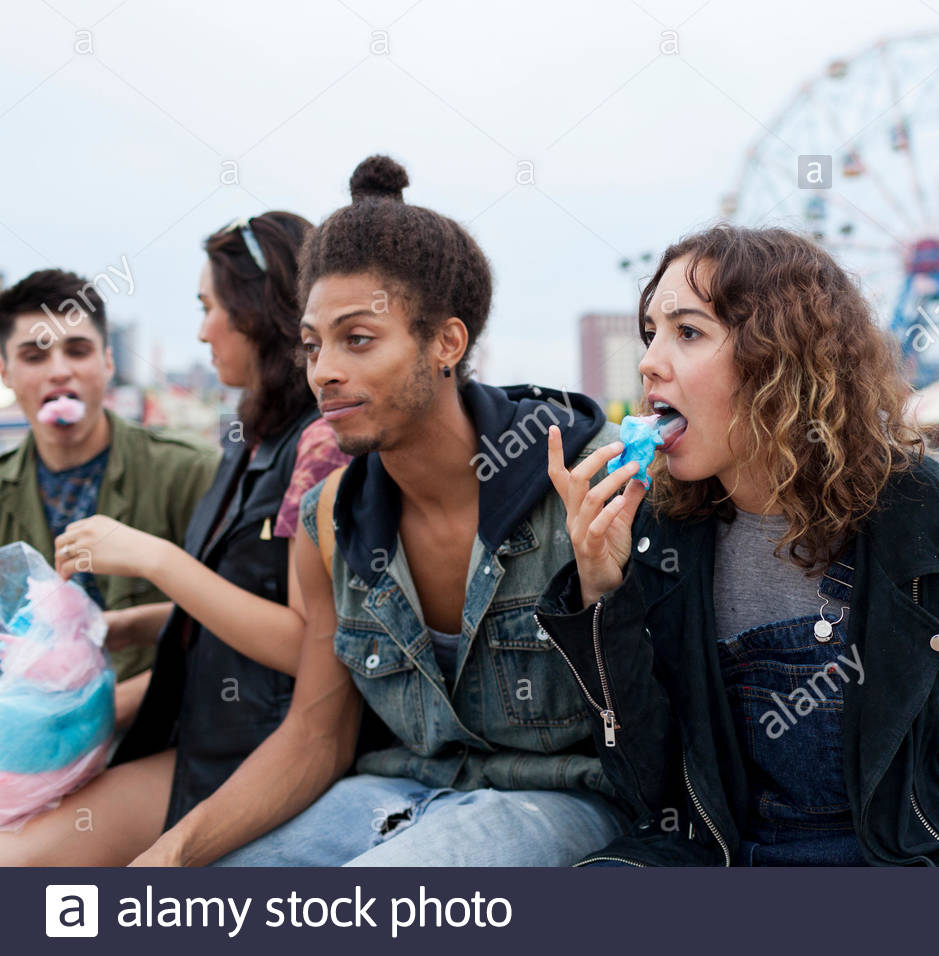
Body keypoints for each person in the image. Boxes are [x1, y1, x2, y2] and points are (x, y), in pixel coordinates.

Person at [538, 225, 939, 866]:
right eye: (650, 333)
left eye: (688, 332)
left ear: (779, 359)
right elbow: (649, 787)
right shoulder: (656, 534)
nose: (650, 361)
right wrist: (602, 590)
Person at [128, 156, 627, 868]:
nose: (324, 370)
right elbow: (316, 736)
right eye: (312, 345)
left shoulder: (582, 476)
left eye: (357, 339)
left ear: (447, 343)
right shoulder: (329, 518)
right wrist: (173, 853)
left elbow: (668, 701)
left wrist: (604, 593)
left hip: (561, 798)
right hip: (399, 791)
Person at [0, 211, 348, 865]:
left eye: (209, 307)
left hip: (236, 746)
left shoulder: (310, 448)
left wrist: (155, 560)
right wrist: (133, 624)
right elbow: (235, 603)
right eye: (34, 355)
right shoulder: (251, 441)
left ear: (254, 312)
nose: (201, 330)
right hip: (191, 731)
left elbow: (313, 647)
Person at [0, 269, 219, 708]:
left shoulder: (191, 472)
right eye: (35, 356)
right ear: (5, 372)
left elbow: (234, 629)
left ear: (108, 363)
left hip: (164, 729)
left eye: (77, 351)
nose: (59, 371)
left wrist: (103, 714)